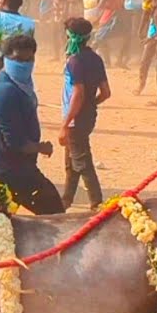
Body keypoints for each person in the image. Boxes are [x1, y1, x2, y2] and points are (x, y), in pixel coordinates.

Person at [0, 34, 62, 214]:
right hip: (4, 167)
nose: (24, 64)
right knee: (53, 209)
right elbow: (15, 143)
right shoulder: (5, 92)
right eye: (18, 59)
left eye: (28, 59)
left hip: (11, 163)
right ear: (6, 59)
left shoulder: (18, 82)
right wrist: (41, 147)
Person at [59, 18, 111, 211]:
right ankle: (66, 199)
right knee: (72, 161)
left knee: (82, 161)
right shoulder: (96, 58)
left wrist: (66, 123)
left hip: (75, 118)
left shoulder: (74, 61)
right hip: (88, 114)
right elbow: (106, 92)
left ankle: (96, 202)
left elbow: (78, 93)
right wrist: (91, 103)